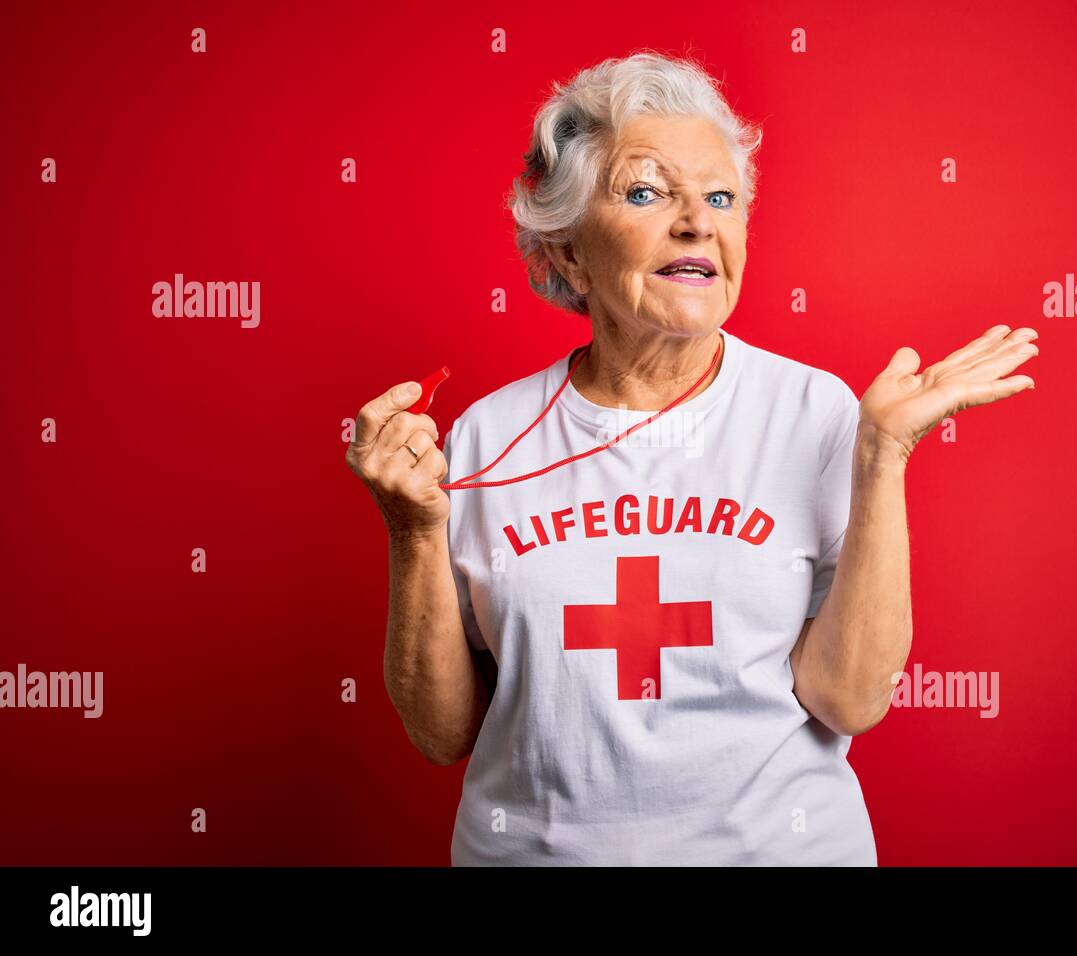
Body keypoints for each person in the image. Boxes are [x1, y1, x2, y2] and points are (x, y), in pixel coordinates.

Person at [344, 51, 1039, 866]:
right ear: (569, 253)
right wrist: (413, 531)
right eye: (645, 193)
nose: (697, 222)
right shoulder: (484, 439)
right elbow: (440, 734)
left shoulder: (816, 415)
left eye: (720, 197)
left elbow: (847, 699)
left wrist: (882, 456)